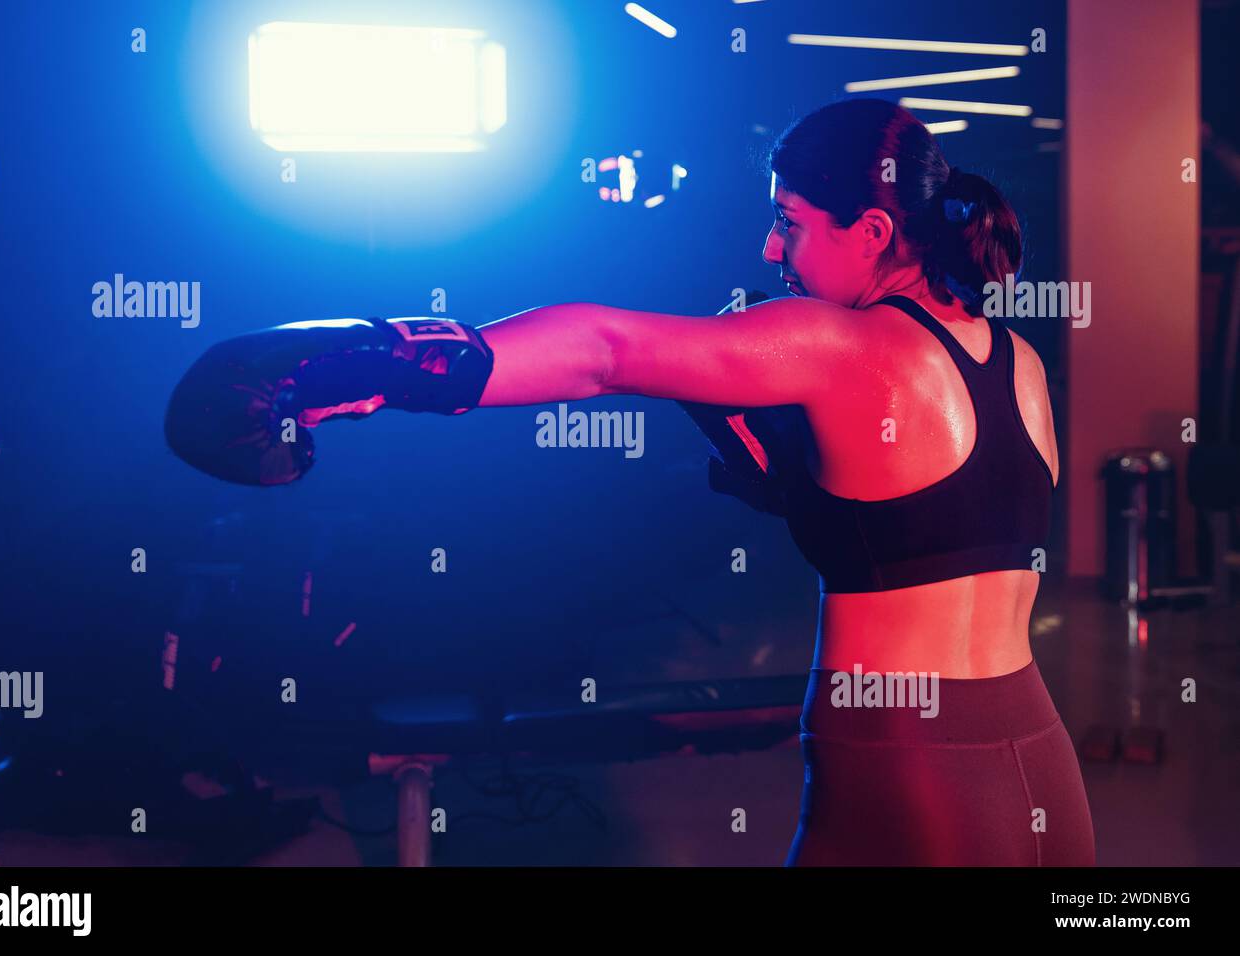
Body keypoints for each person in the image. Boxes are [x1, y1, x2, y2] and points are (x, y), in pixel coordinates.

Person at [164, 98, 1095, 866]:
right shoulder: (1016, 361)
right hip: (1034, 750)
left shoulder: (842, 344)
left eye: (789, 224)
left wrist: (385, 363)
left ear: (876, 231)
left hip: (907, 767)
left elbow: (608, 352)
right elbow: (937, 528)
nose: (771, 254)